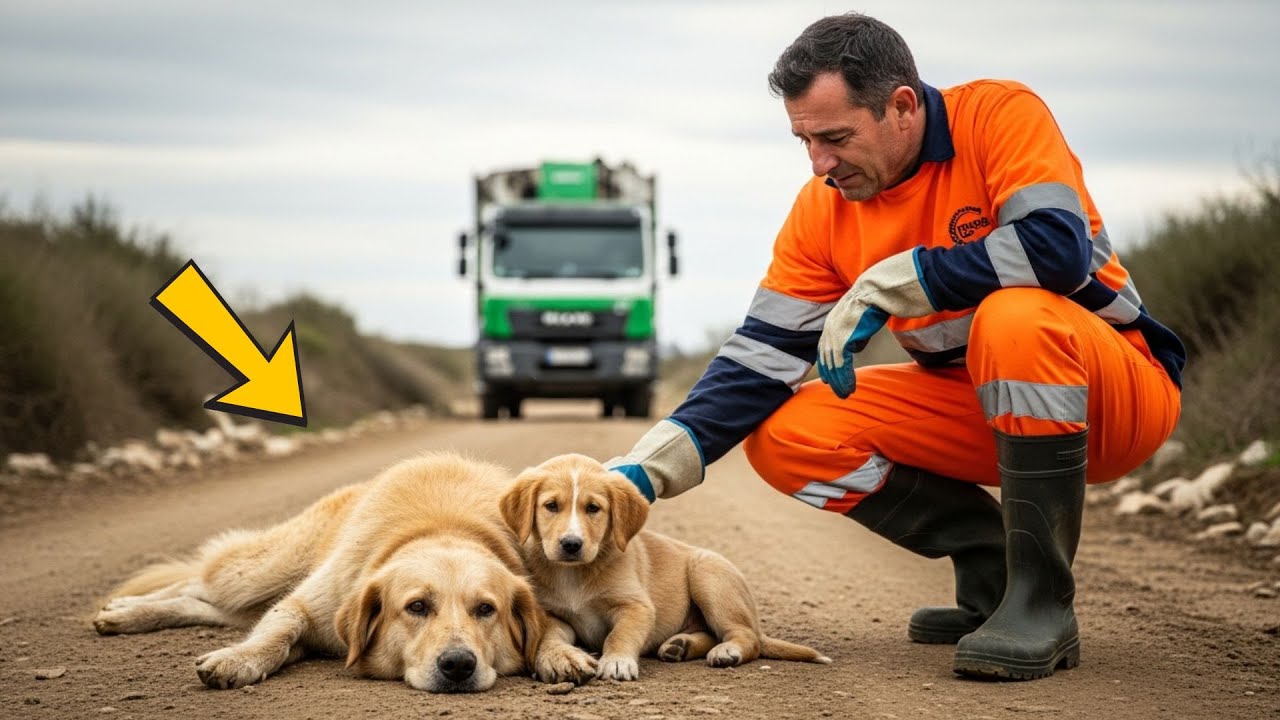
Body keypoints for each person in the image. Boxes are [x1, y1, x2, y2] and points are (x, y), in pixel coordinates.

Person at [605, 12, 1184, 681]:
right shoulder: (822, 211)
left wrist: (904, 278)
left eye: (835, 137)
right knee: (787, 434)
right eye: (804, 140)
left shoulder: (1000, 116)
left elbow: (1056, 247)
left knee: (1014, 316)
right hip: (985, 410)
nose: (820, 164)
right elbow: (758, 360)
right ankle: (995, 569)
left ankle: (1041, 603)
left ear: (902, 106)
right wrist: (643, 471)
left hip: (1114, 397)